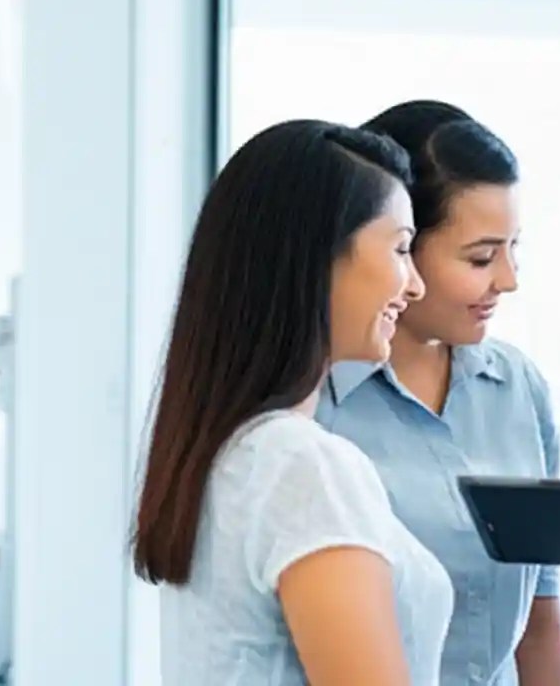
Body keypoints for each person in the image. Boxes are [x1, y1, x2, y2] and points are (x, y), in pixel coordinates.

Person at [131, 119, 452, 685]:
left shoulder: (232, 454)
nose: (414, 285)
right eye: (401, 249)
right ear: (317, 256)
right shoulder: (302, 465)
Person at [315, 100, 560, 686]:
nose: (507, 280)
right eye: (481, 256)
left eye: (513, 249)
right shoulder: (312, 406)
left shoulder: (518, 389)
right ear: (396, 246)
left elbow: (540, 624)